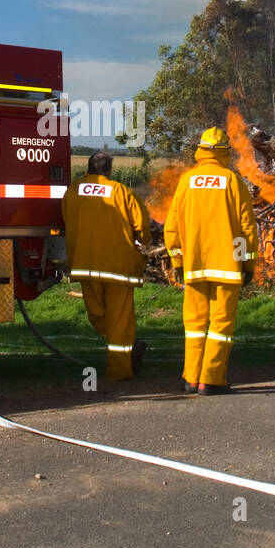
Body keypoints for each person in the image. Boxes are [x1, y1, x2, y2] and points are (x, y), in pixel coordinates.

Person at [164, 127, 259, 395]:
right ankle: (212, 380)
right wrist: (247, 263)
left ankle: (191, 379)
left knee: (194, 325)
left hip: (194, 266)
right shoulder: (232, 181)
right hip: (227, 267)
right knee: (220, 326)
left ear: (202, 150)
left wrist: (178, 261)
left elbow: (172, 225)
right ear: (223, 152)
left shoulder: (187, 180)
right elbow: (246, 227)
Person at [62, 151, 151, 382]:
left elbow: (65, 216)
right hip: (117, 266)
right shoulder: (120, 192)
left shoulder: (73, 191)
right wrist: (144, 241)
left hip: (87, 263)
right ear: (109, 170)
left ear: (88, 168)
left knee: (98, 315)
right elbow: (141, 225)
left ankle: (120, 371)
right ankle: (128, 348)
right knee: (115, 320)